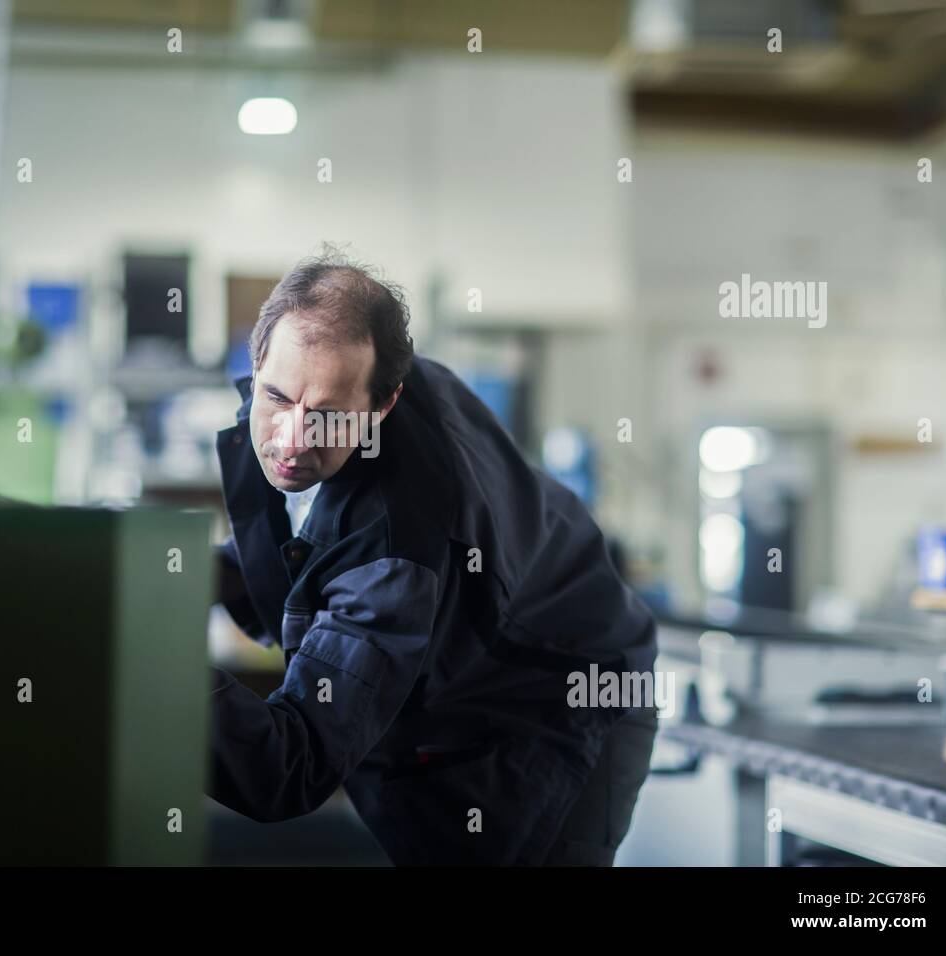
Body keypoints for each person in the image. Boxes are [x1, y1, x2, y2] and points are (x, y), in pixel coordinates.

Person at [209, 250, 659, 865]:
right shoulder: (336, 372)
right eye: (275, 398)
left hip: (565, 691)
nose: (291, 441)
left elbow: (290, 768)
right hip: (465, 658)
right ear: (258, 362)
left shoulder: (397, 546)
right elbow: (291, 551)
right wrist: (157, 573)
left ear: (383, 404)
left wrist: (151, 676)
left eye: (329, 419)